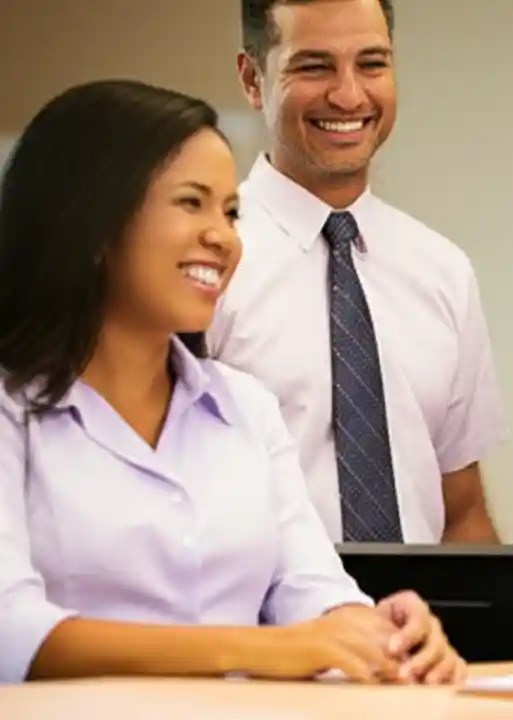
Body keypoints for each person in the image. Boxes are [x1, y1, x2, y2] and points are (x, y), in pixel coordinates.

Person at [0, 79, 463, 685]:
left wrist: (379, 634)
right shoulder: (13, 410)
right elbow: (12, 632)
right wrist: (260, 649)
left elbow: (311, 590)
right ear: (93, 224)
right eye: (191, 203)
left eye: (231, 211)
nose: (222, 237)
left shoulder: (246, 407)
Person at [207, 0, 506, 544]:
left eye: (372, 63)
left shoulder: (443, 272)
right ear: (254, 80)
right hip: (259, 625)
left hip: (413, 624)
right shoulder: (210, 262)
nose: (349, 95)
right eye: (314, 66)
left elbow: (461, 513)